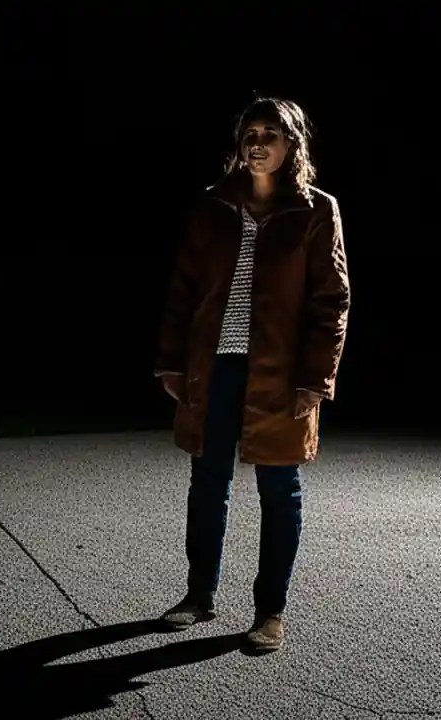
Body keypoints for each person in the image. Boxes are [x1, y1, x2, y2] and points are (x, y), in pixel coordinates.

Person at [152, 96, 351, 653]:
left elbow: (331, 300)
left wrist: (317, 378)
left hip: (281, 372)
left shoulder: (315, 209)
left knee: (278, 489)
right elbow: (184, 288)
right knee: (207, 483)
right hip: (214, 365)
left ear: (292, 145)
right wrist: (171, 359)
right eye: (250, 132)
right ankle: (198, 596)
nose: (258, 141)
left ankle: (270, 613)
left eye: (271, 132)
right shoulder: (214, 206)